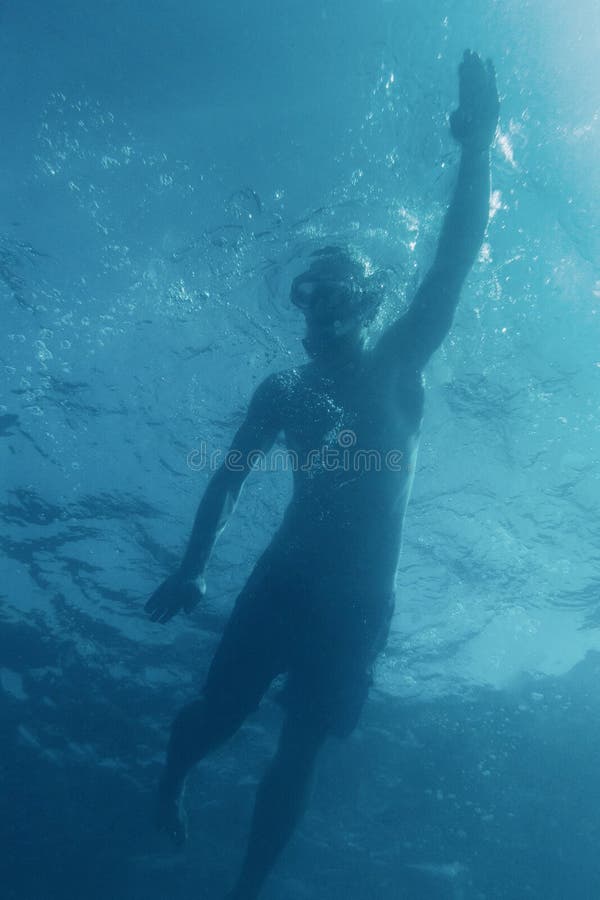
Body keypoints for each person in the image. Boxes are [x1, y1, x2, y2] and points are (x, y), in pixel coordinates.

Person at [145, 50, 499, 900]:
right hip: (281, 582)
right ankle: (172, 778)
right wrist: (193, 568)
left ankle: (246, 891)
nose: (321, 307)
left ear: (367, 301)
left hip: (359, 604)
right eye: (310, 292)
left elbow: (452, 263)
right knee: (220, 715)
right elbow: (228, 478)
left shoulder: (399, 362)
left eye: (339, 292)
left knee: (300, 747)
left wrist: (478, 146)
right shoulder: (283, 390)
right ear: (301, 302)